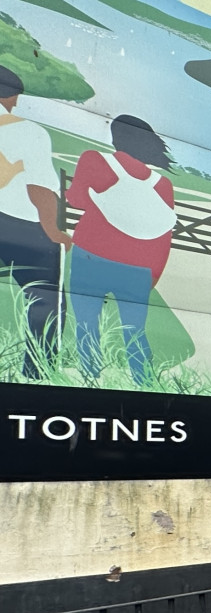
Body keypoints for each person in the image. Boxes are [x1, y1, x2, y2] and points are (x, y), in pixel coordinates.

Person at [65, 115, 176, 383]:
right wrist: (154, 275)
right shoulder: (162, 184)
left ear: (115, 137)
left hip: (91, 256)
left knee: (87, 323)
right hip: (138, 270)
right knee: (135, 330)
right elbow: (163, 237)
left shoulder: (95, 159)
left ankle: (90, 377)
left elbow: (76, 199)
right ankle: (144, 381)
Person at [0, 65, 74, 379]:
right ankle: (36, 375)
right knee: (45, 299)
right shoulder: (27, 131)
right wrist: (53, 230)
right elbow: (40, 187)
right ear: (12, 97)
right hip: (20, 223)